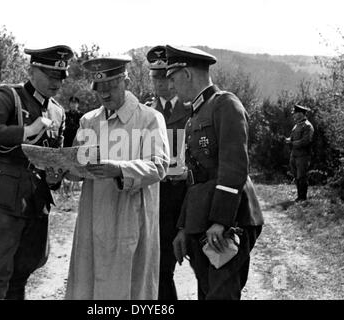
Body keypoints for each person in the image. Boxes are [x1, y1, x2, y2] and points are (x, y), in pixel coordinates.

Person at [0, 45, 74, 299]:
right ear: (32, 71)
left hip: (33, 204)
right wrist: (25, 132)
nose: (57, 82)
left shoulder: (58, 111)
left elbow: (52, 156)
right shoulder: (8, 95)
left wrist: (54, 177)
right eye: (50, 76)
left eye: (60, 77)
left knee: (22, 271)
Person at [65, 56, 170, 300]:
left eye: (111, 86)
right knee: (89, 282)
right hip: (93, 213)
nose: (104, 93)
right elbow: (78, 167)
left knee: (128, 286)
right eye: (99, 88)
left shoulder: (150, 119)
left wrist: (120, 169)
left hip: (129, 215)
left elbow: (159, 165)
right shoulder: (89, 121)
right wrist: (60, 169)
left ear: (126, 81)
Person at [167, 45, 264, 300]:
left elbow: (235, 165)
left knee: (221, 294)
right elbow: (195, 177)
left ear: (187, 74)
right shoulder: (195, 116)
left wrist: (222, 220)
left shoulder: (225, 104)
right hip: (202, 219)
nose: (171, 86)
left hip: (230, 219)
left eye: (173, 78)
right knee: (208, 292)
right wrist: (183, 227)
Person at [146, 45, 191, 300]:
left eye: (165, 76)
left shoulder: (192, 109)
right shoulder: (146, 114)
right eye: (155, 77)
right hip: (157, 201)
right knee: (161, 269)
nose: (161, 83)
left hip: (188, 197)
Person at [286, 104, 314, 201]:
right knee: (296, 176)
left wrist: (292, 142)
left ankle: (302, 198)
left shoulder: (307, 126)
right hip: (294, 154)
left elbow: (306, 141)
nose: (294, 115)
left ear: (301, 114)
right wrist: (289, 139)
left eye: (296, 113)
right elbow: (293, 137)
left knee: (301, 176)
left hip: (303, 155)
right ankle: (299, 196)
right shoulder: (296, 125)